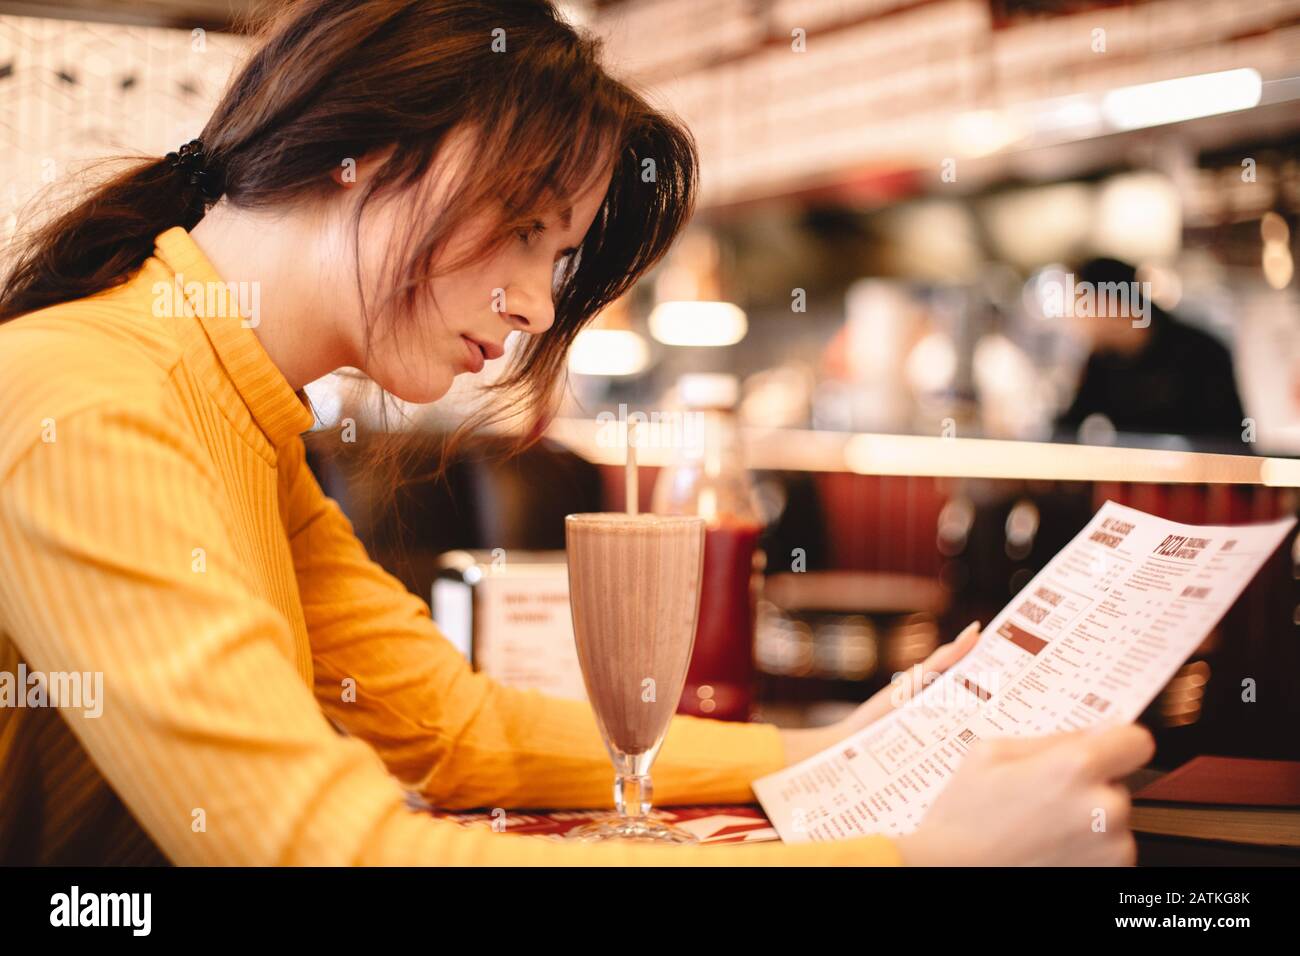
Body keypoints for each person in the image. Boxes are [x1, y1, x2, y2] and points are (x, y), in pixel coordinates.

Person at [0, 0, 1152, 866]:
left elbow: (455, 730)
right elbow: (329, 853)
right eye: (527, 226)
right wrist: (915, 858)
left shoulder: (232, 402)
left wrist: (844, 752)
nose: (543, 305)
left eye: (559, 260)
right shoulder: (93, 397)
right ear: (361, 149)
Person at [1056, 257, 1247, 442]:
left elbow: (1230, 440)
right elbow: (1068, 429)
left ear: (1111, 304)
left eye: (1081, 303)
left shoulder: (1202, 354)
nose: (1074, 316)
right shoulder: (1104, 360)